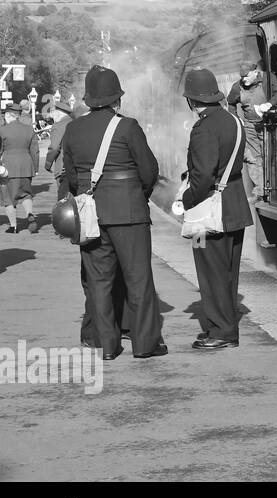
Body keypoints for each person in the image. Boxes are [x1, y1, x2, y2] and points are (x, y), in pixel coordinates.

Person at [62, 65, 166, 359]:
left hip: (90, 213)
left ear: (88, 99)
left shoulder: (73, 129)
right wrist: (137, 196)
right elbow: (149, 171)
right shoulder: (128, 126)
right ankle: (145, 345)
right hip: (129, 212)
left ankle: (106, 346)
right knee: (139, 279)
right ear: (116, 98)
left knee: (97, 280)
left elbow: (71, 176)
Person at [183, 68, 253, 350]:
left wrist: (185, 200)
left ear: (191, 100)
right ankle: (222, 325)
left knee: (209, 270)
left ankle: (221, 331)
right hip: (235, 205)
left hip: (208, 211)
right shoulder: (233, 121)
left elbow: (202, 176)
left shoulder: (204, 128)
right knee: (227, 271)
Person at [226, 60, 271, 203]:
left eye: (246, 76)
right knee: (253, 158)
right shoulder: (237, 87)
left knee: (270, 155)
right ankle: (260, 190)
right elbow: (231, 103)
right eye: (242, 77)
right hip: (250, 126)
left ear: (254, 72)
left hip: (268, 124)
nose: (244, 79)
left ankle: (274, 189)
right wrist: (236, 120)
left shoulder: (266, 81)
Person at [0, 102, 40, 234]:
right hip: (26, 166)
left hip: (8, 168)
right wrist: (35, 167)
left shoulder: (2, 130)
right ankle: (29, 214)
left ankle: (13, 226)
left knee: (8, 198)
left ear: (8, 115)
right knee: (26, 194)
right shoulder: (29, 129)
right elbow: (35, 151)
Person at [44, 101, 75, 198]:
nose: (52, 118)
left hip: (63, 168)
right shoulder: (75, 122)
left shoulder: (58, 126)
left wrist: (48, 164)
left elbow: (54, 147)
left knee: (64, 200)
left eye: (52, 114)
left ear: (57, 113)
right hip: (78, 166)